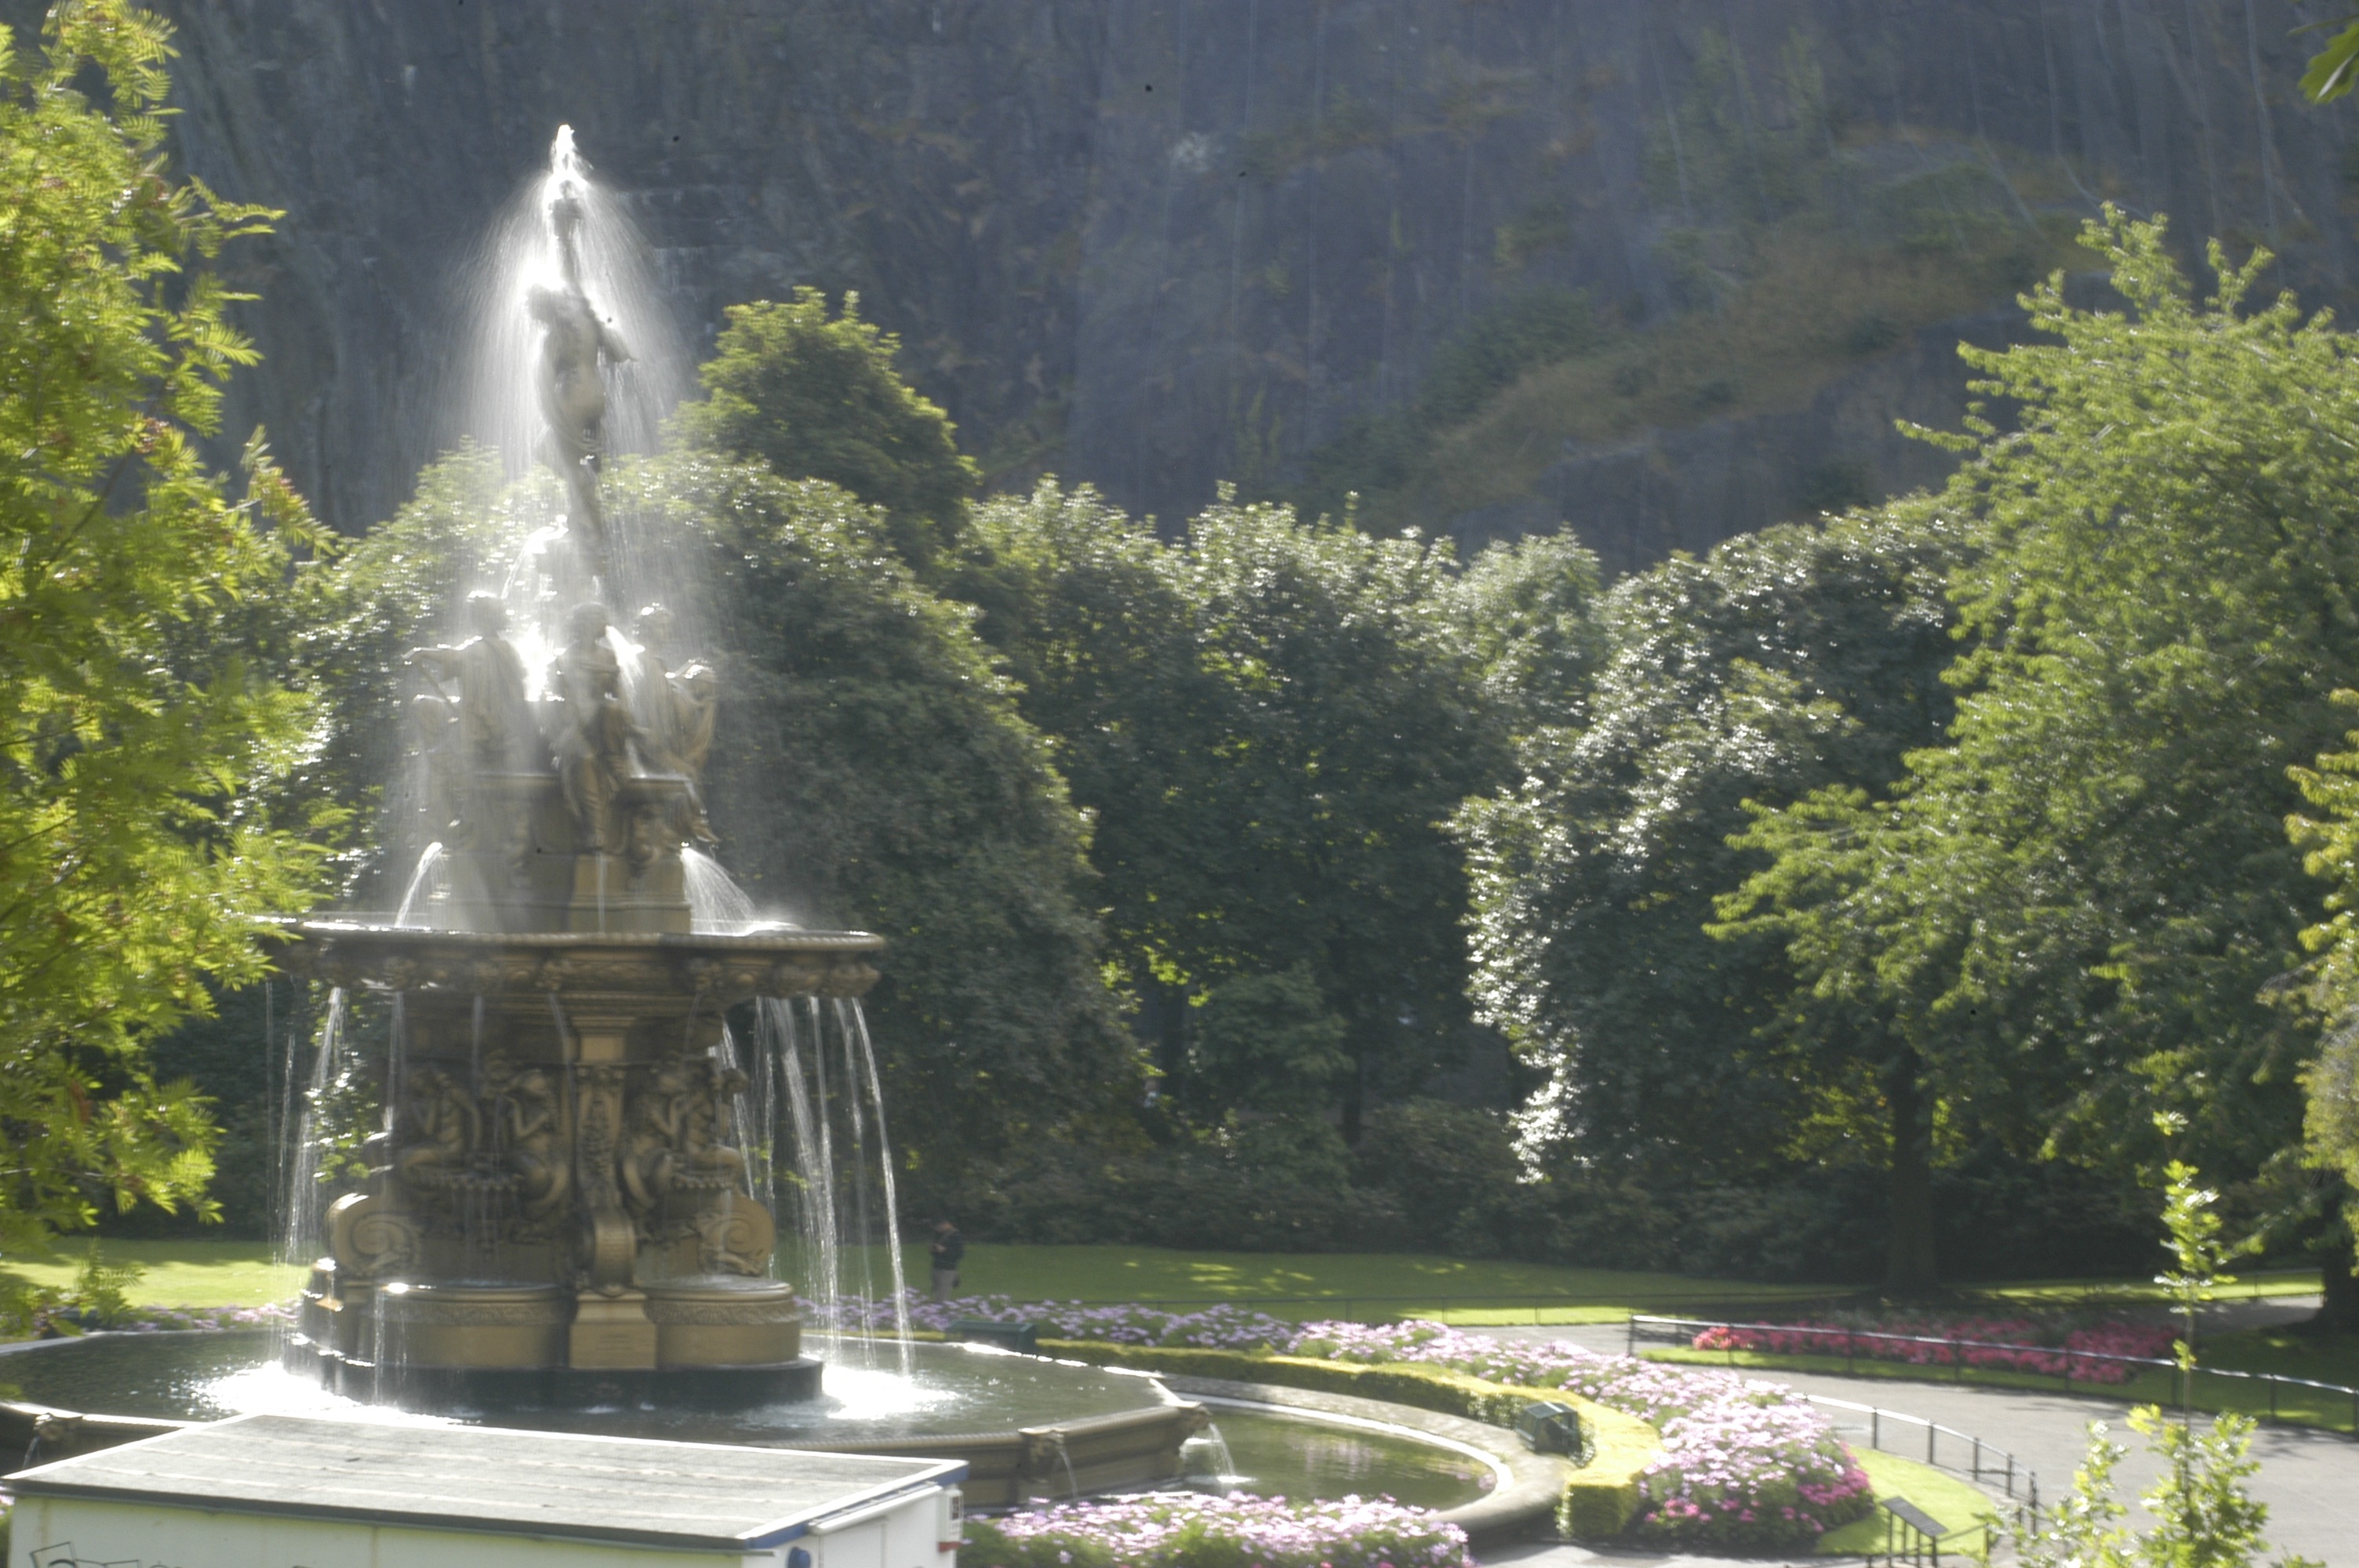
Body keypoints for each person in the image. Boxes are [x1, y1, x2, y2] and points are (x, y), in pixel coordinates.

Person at [929, 1218, 965, 1302]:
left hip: (948, 1268)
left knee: (942, 1294)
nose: (937, 1230)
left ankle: (941, 1310)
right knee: (936, 1292)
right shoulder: (939, 1234)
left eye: (938, 1227)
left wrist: (944, 1250)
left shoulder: (956, 1236)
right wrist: (933, 1250)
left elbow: (959, 1254)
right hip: (937, 1266)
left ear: (944, 1224)